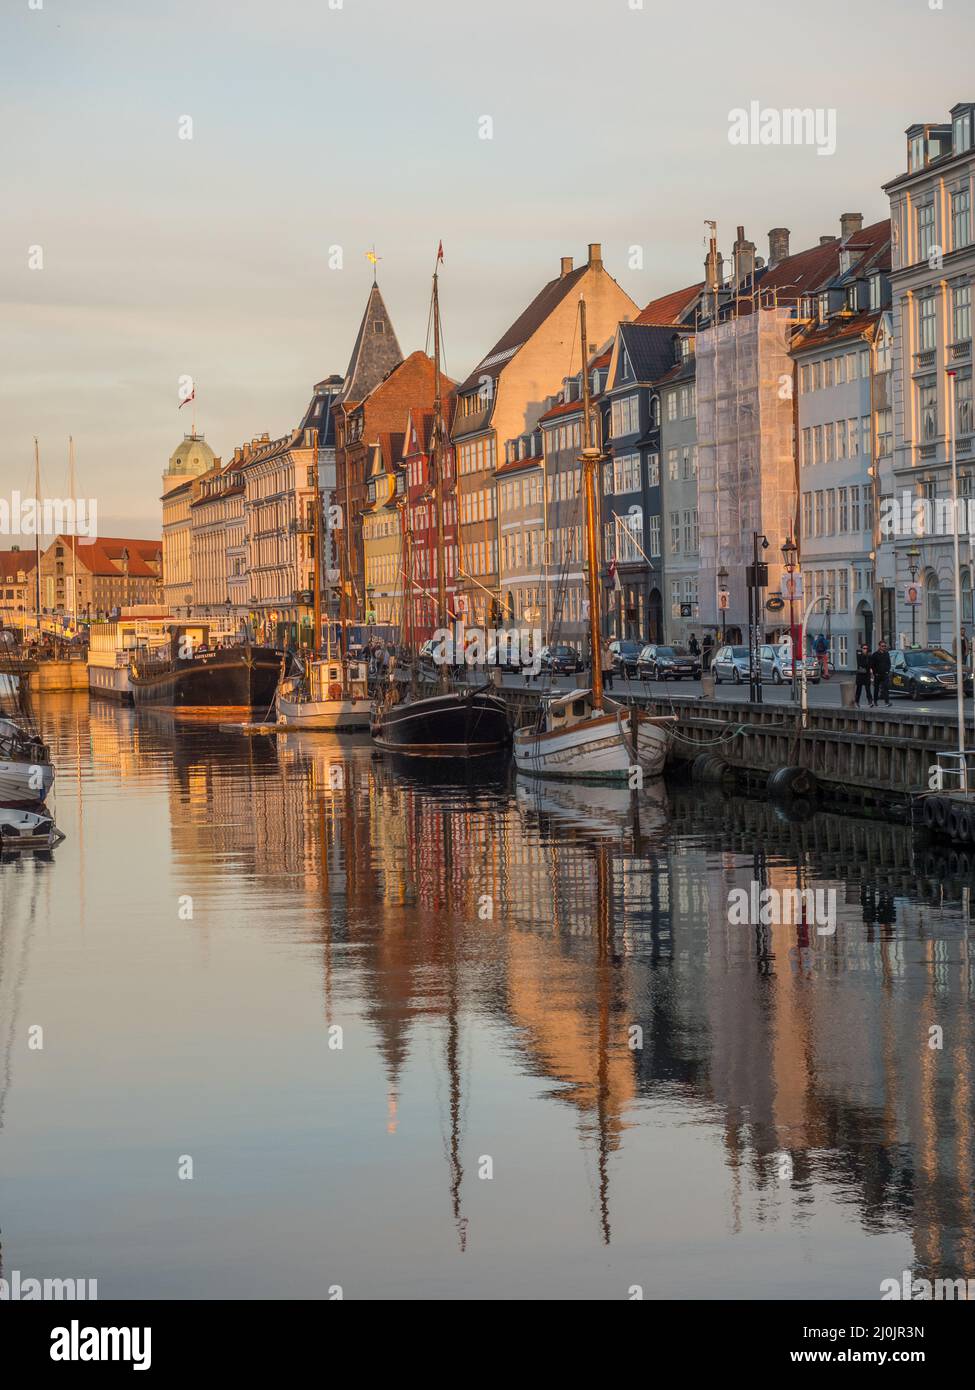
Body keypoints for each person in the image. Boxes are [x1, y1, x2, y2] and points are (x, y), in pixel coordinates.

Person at [869, 639, 892, 707]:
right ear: (879, 646)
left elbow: (889, 663)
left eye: (885, 646)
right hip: (878, 674)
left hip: (885, 674)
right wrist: (875, 672)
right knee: (876, 689)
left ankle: (887, 702)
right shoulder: (875, 654)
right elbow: (872, 665)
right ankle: (875, 701)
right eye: (882, 646)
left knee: (886, 688)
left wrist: (887, 670)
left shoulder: (886, 654)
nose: (884, 647)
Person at [854, 642, 874, 707]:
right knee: (858, 689)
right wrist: (867, 665)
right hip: (860, 674)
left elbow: (870, 664)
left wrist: (868, 666)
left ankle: (870, 701)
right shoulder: (859, 655)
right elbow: (861, 664)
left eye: (866, 648)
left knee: (868, 688)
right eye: (864, 648)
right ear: (861, 649)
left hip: (866, 674)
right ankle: (857, 702)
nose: (865, 649)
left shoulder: (869, 656)